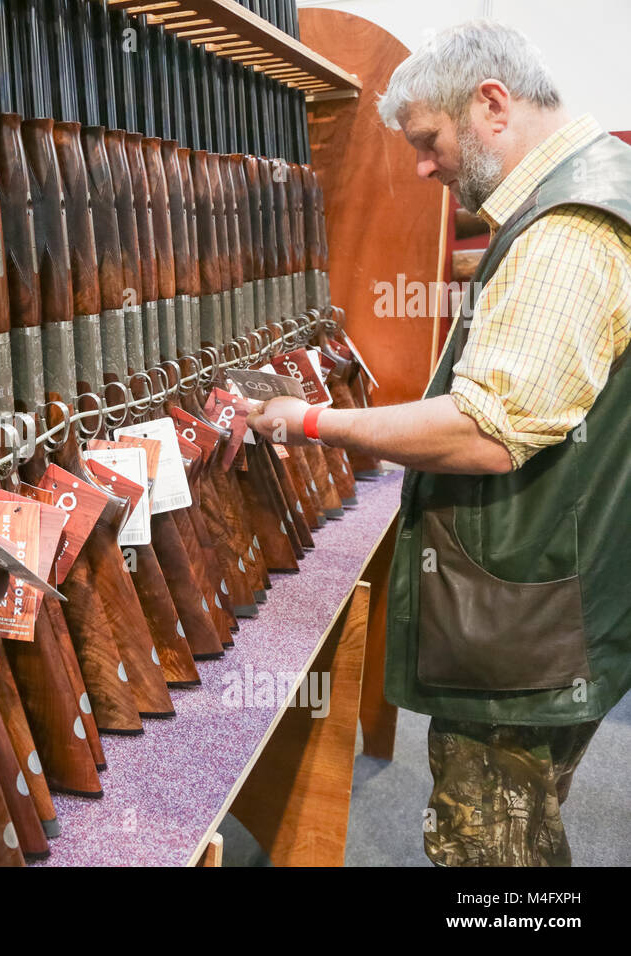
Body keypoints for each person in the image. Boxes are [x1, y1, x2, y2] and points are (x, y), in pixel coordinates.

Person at [247, 19, 631, 866]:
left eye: (429, 140)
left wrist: (314, 421)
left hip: (528, 617)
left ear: (490, 103)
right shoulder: (594, 184)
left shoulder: (566, 225)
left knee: (490, 850)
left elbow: (487, 430)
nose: (424, 167)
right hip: (551, 596)